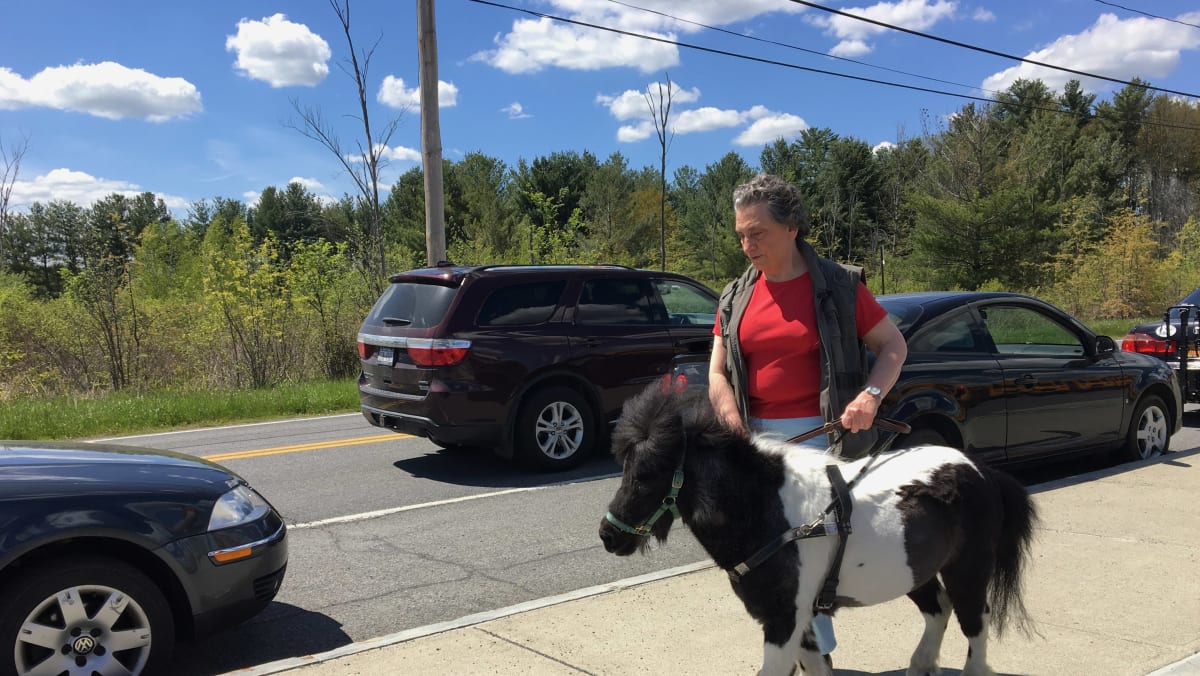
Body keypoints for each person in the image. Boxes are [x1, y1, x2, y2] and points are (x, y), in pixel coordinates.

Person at [708, 172, 908, 663]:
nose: (747, 244)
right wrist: (731, 417)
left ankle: (811, 658)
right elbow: (715, 372)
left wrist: (870, 396)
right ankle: (808, 659)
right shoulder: (734, 297)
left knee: (806, 563)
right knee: (765, 564)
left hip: (822, 444)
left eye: (758, 233)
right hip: (755, 445)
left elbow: (892, 348)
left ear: (792, 227)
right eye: (741, 234)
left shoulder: (840, 287)